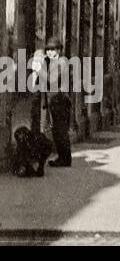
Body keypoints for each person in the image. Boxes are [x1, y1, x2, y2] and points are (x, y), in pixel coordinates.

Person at [40, 38, 74, 168]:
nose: (49, 52)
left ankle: (65, 159)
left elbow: (52, 80)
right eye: (48, 49)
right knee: (58, 130)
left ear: (59, 50)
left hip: (60, 100)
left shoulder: (60, 63)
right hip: (56, 100)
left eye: (53, 49)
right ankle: (63, 157)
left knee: (60, 131)